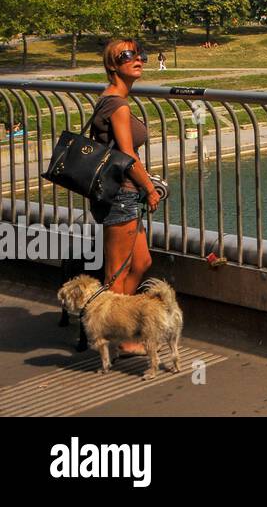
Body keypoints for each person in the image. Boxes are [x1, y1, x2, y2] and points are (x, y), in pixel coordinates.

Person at [89, 39, 162, 356]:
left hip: (124, 195)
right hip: (121, 195)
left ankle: (119, 329)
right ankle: (112, 338)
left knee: (141, 262)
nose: (138, 60)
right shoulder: (118, 106)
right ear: (112, 65)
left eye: (139, 54)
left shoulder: (113, 98)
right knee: (115, 274)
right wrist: (149, 187)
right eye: (127, 56)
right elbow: (128, 155)